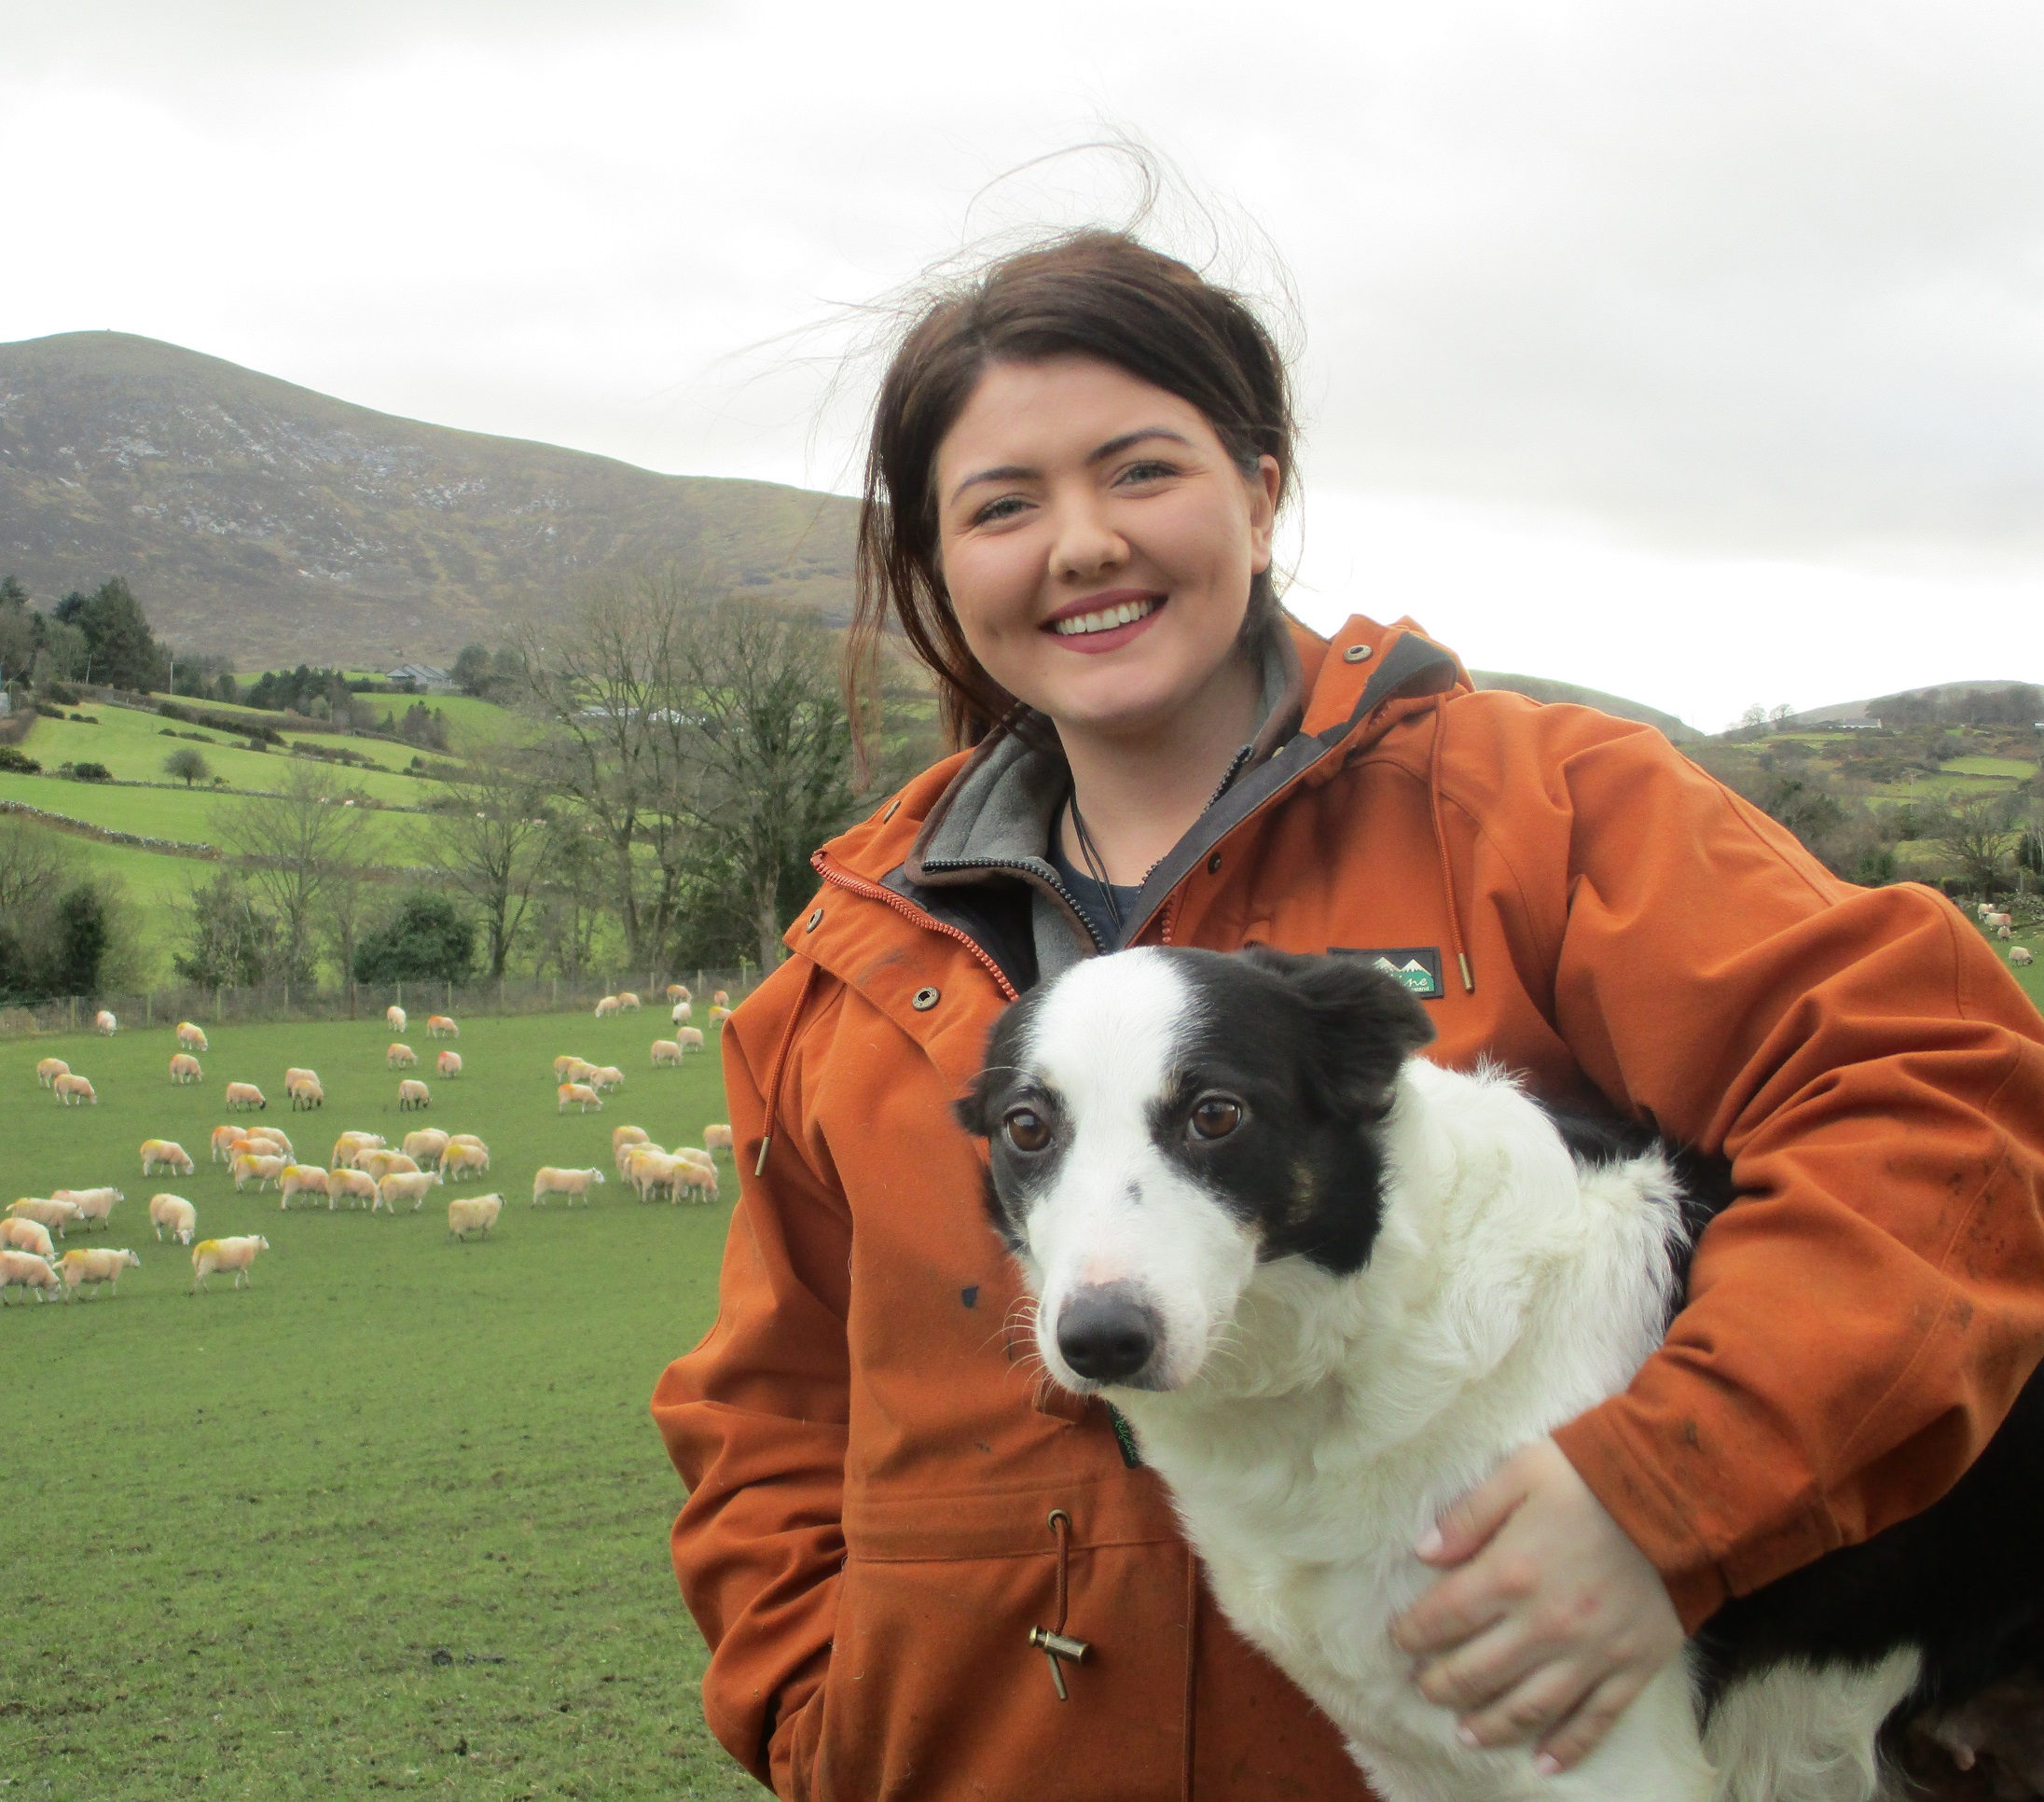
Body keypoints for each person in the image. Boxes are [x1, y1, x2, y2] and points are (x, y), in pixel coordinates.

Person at [651, 229, 2044, 1799]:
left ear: (1259, 486)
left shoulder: (1548, 814)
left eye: (1143, 471)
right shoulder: (846, 967)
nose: (1084, 544)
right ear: (936, 556)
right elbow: (768, 1418)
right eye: (1003, 505)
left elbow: (1945, 1117)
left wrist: (1662, 1489)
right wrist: (832, 1719)